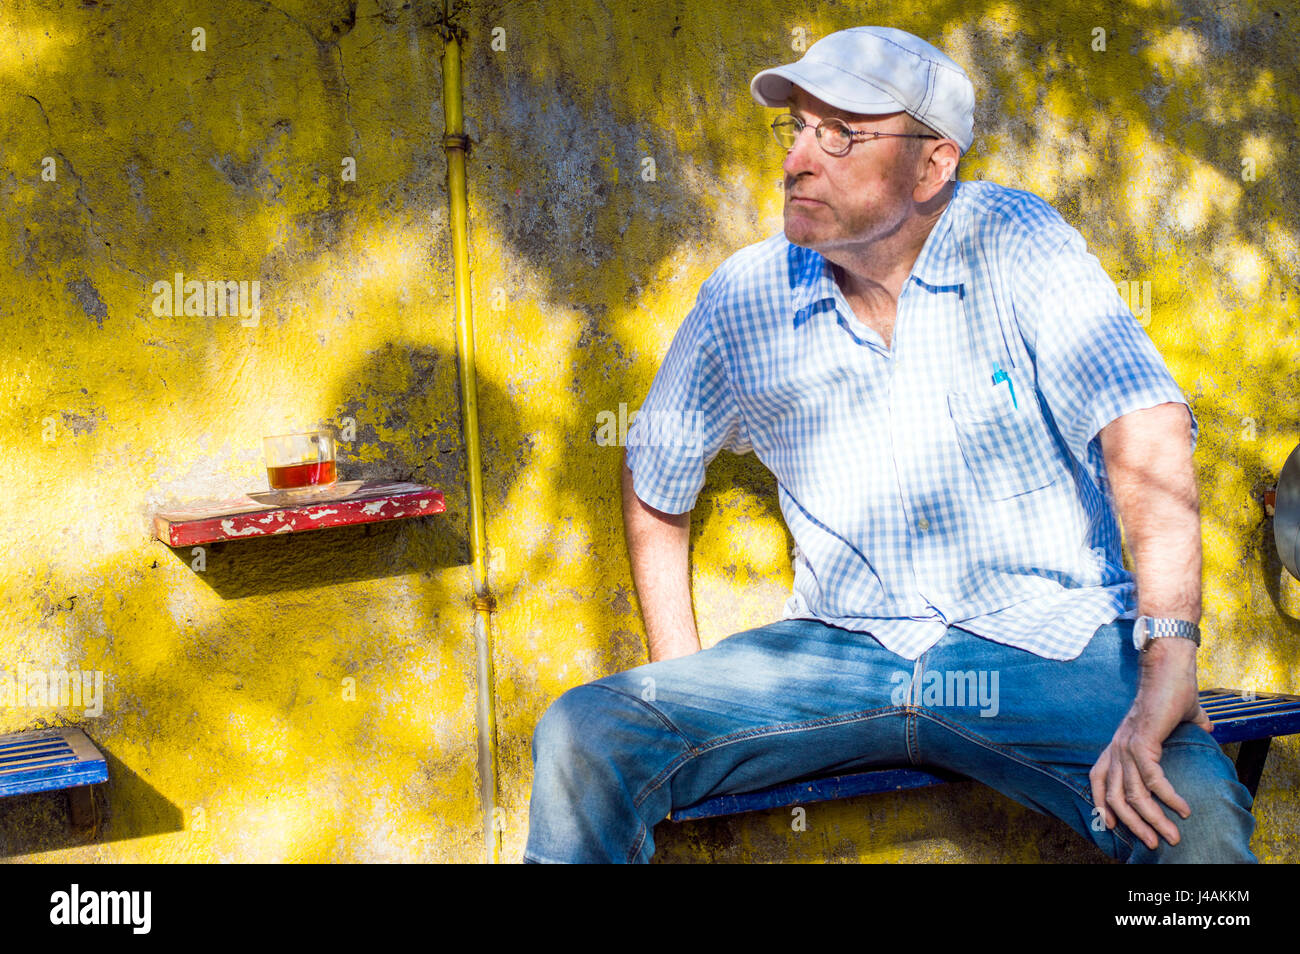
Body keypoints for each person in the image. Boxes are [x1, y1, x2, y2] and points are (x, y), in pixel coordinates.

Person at [523, 26, 1256, 863]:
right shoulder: (747, 295)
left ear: (933, 165)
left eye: (841, 134)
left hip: (1044, 647)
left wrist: (1168, 665)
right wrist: (677, 675)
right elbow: (656, 463)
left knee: (1194, 818)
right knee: (587, 732)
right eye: (796, 127)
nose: (799, 158)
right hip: (838, 652)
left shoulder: (1017, 244)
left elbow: (1145, 425)